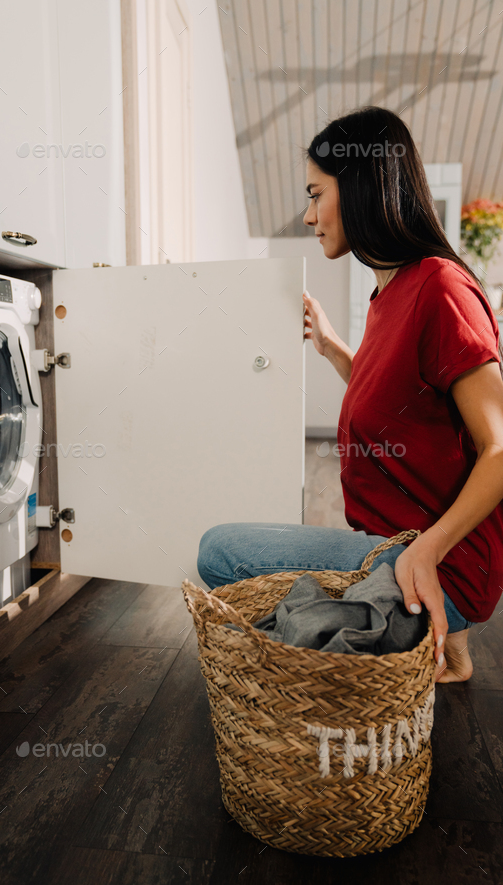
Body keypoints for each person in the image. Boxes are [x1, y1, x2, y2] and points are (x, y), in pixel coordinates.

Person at [197, 105, 503, 684]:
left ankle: (411, 623)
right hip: (391, 545)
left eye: (316, 194)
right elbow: (401, 409)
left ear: (360, 185)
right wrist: (336, 348)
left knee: (219, 552)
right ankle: (419, 634)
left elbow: (500, 450)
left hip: (430, 560)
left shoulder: (440, 289)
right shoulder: (389, 290)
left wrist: (426, 551)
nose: (309, 215)